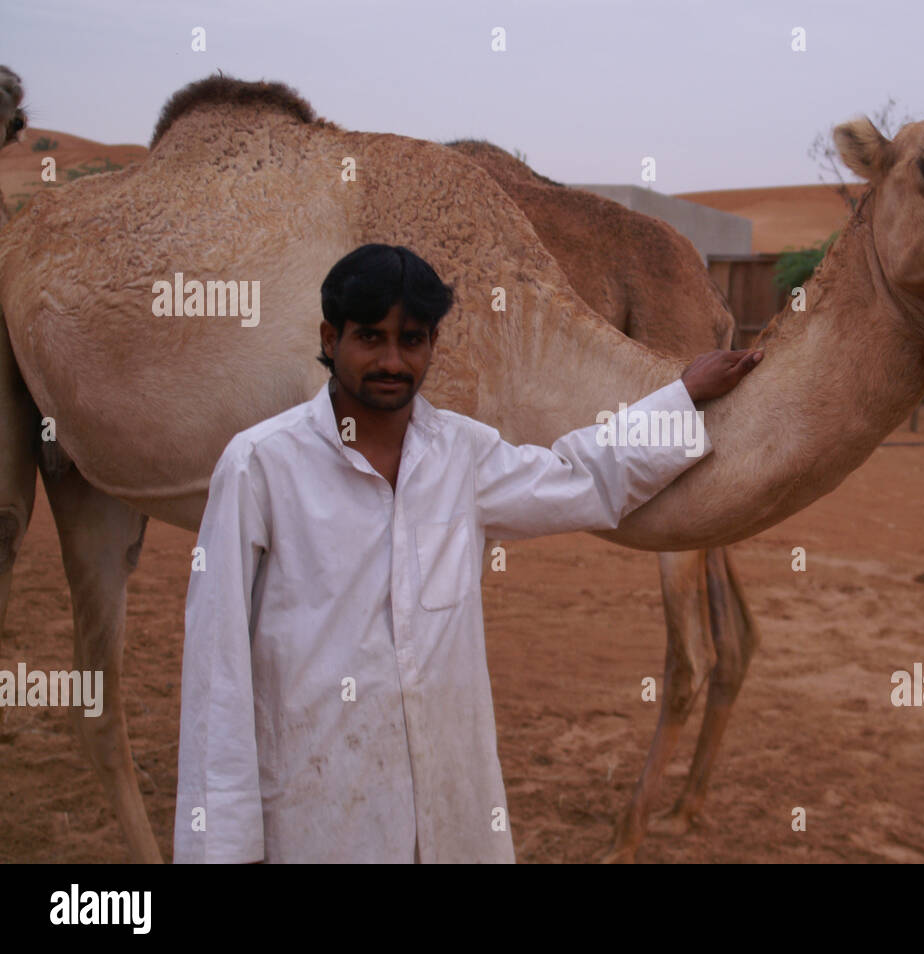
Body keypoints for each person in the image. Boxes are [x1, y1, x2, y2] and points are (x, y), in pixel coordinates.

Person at [173, 243, 762, 863]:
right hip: (317, 821)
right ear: (330, 337)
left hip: (450, 817)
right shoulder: (260, 466)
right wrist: (223, 850)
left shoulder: (459, 455)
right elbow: (218, 671)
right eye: (371, 337)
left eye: (413, 339)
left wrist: (681, 398)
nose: (393, 360)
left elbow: (581, 477)